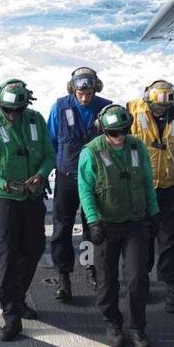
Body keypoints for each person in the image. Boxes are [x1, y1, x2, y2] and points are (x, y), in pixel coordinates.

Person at [0, 79, 55, 342]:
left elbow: (49, 155)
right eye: (8, 110)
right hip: (3, 201)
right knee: (8, 257)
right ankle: (11, 316)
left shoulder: (36, 121)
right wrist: (4, 183)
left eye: (16, 110)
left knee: (34, 249)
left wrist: (41, 175)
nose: (12, 116)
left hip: (32, 197)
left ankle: (17, 298)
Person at [78, 104, 160, 347]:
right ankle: (113, 322)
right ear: (103, 130)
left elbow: (147, 181)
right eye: (113, 133)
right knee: (107, 281)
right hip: (106, 225)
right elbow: (86, 190)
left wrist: (154, 212)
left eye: (123, 131)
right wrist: (93, 221)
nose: (119, 137)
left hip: (135, 223)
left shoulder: (137, 147)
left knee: (137, 279)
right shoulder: (90, 153)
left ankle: (138, 327)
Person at [127, 79, 174, 313]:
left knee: (171, 241)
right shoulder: (129, 112)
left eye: (164, 108)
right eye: (157, 108)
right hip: (139, 190)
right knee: (140, 240)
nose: (161, 112)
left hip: (171, 188)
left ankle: (173, 292)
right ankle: (140, 286)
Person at [48, 67, 112, 302]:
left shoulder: (106, 109)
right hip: (67, 177)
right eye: (80, 93)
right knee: (61, 228)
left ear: (96, 88)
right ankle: (63, 276)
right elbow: (51, 141)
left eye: (88, 93)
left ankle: (91, 268)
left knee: (93, 228)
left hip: (96, 179)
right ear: (72, 89)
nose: (84, 98)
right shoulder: (59, 107)